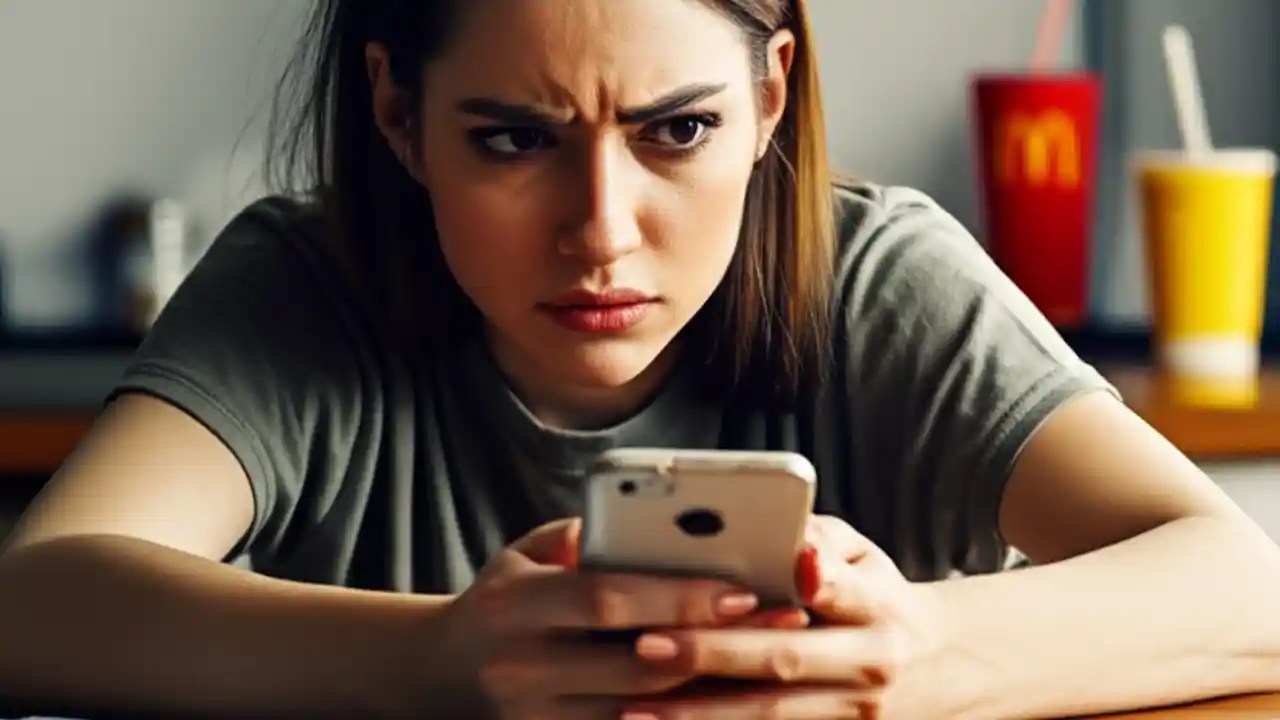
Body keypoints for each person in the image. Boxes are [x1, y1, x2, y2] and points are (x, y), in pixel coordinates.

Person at [2, 0, 1278, 717]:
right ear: (397, 114)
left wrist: (916, 655)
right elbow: (34, 602)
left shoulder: (880, 273)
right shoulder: (302, 283)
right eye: (511, 141)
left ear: (770, 97)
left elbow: (1249, 595)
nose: (601, 231)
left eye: (678, 130)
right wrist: (439, 661)